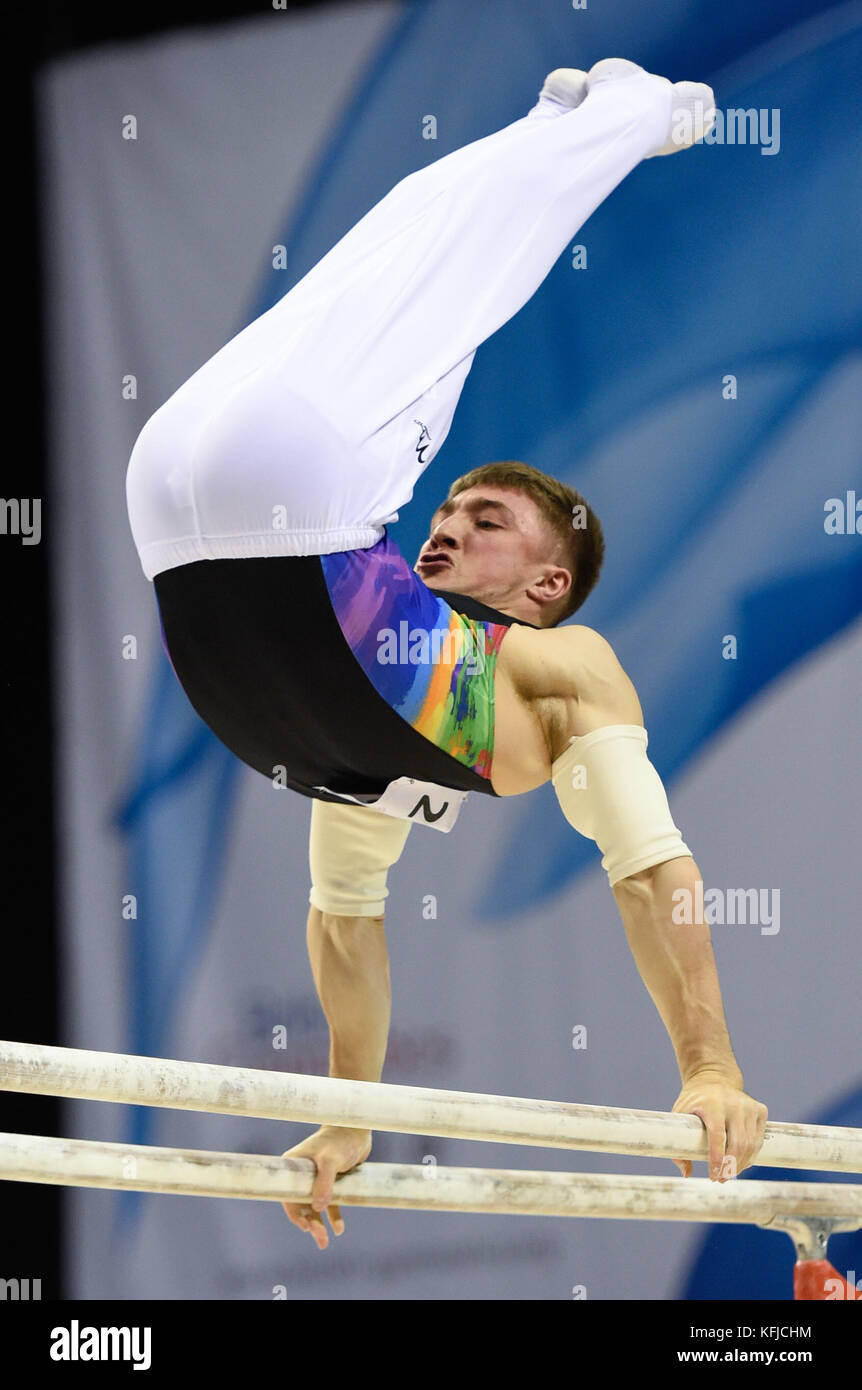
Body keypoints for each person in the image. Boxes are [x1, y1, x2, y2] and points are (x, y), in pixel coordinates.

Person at [126, 58, 768, 1252]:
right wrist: (351, 1107)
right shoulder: (405, 716)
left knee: (442, 268)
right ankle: (575, 121)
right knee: (416, 277)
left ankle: (614, 110)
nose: (447, 525)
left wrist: (709, 1065)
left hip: (202, 524)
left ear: (547, 588)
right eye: (448, 511)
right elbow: (345, 922)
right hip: (256, 509)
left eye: (488, 524)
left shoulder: (559, 665)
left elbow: (646, 865)